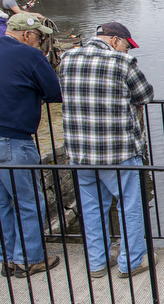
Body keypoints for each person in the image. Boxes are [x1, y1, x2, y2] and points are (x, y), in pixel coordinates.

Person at [0, 13, 62, 278]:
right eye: (40, 36)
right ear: (27, 35)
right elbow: (54, 91)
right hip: (7, 140)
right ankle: (30, 260)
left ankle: (7, 258)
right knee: (29, 201)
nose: (41, 41)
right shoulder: (31, 56)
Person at [60, 22, 155, 279]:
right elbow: (145, 95)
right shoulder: (122, 63)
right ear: (114, 41)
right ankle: (131, 262)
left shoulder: (67, 58)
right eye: (125, 45)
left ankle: (97, 263)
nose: (126, 50)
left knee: (91, 207)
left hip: (80, 152)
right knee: (130, 205)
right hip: (119, 151)